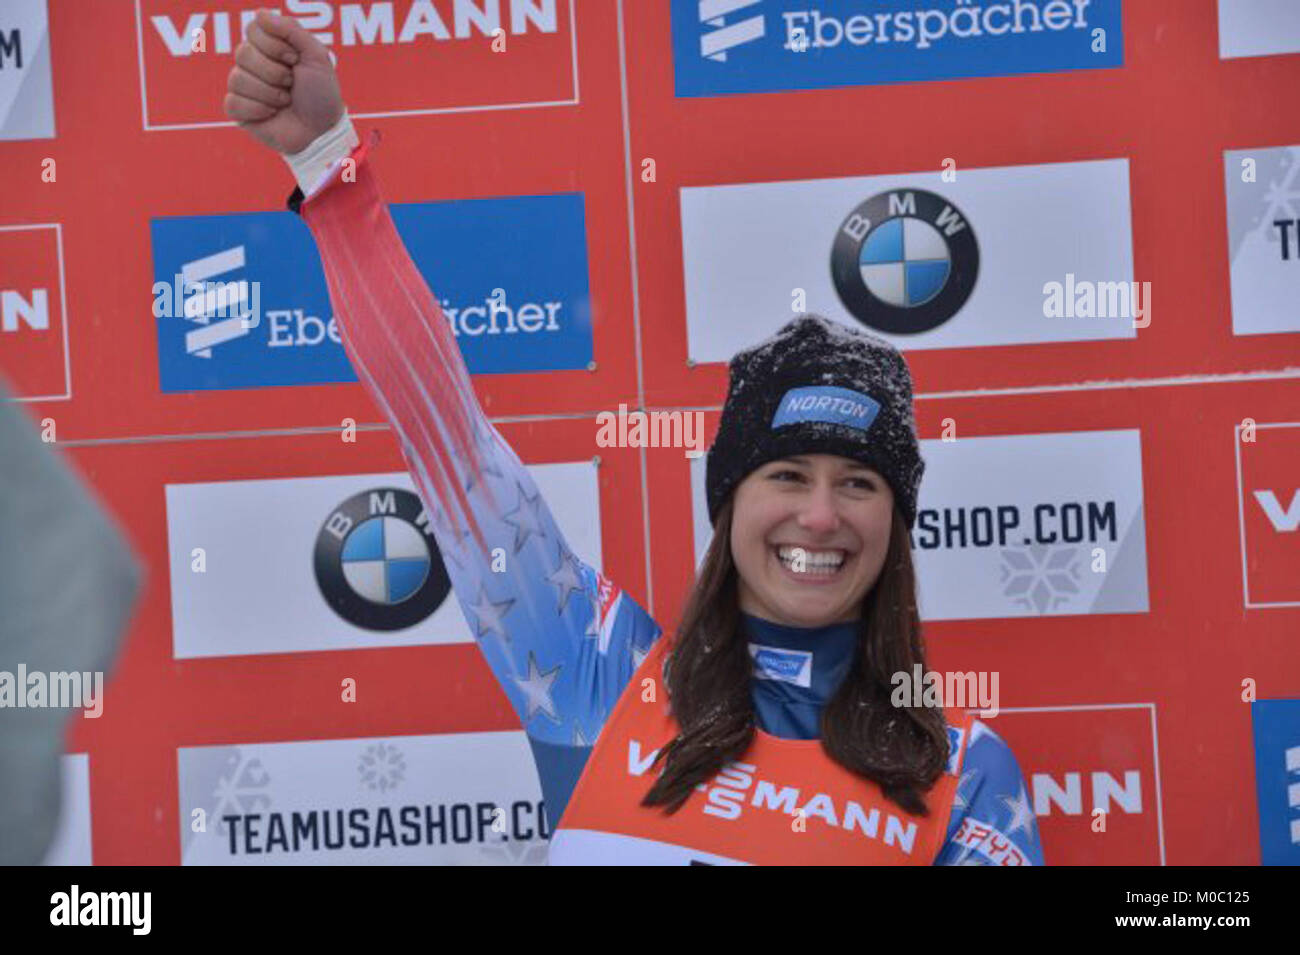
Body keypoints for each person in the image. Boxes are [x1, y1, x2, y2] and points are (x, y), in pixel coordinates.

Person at [224, 9, 1043, 865]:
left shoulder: (962, 773)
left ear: (896, 519)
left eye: (860, 483)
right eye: (789, 475)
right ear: (730, 502)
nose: (822, 515)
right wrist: (330, 169)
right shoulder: (597, 673)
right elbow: (452, 441)